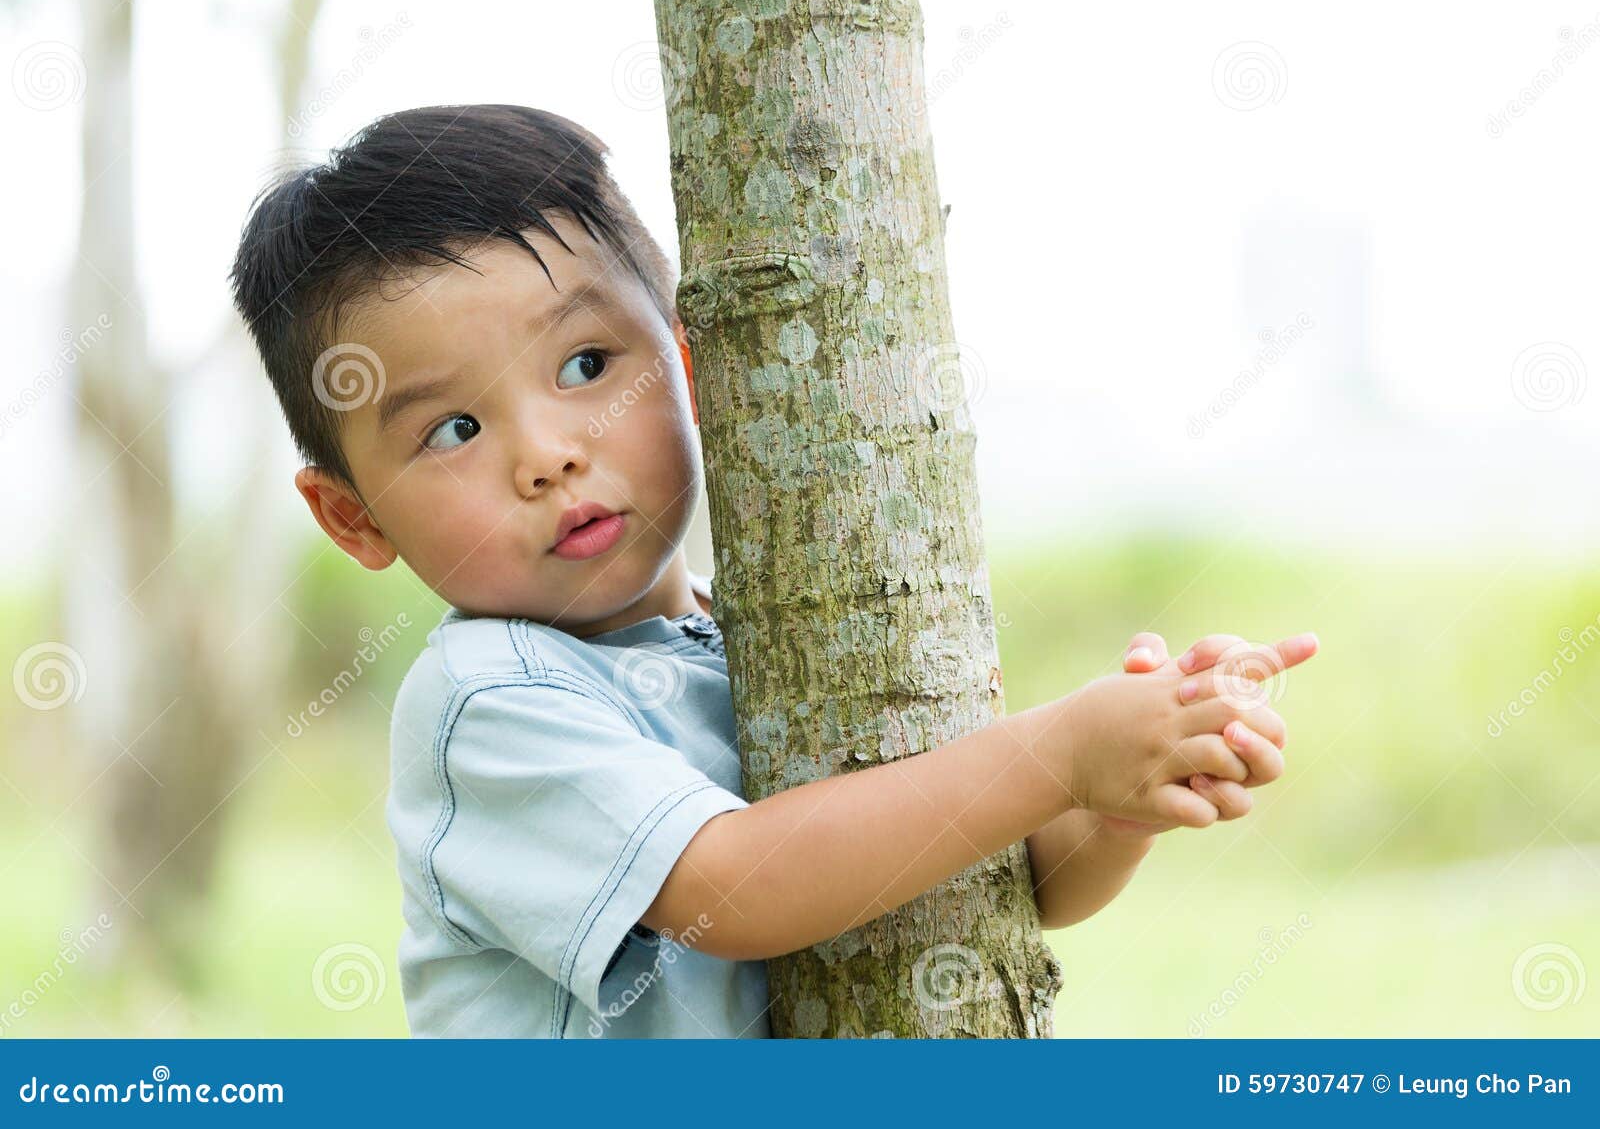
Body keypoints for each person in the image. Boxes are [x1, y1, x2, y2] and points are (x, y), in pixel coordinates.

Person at [229, 104, 1319, 1038]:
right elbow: (732, 886)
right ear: (352, 516)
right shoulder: (487, 701)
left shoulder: (758, 637)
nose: (548, 452)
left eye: (586, 366)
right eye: (455, 426)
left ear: (689, 364)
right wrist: (1053, 748)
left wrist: (1121, 786)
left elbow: (994, 878)